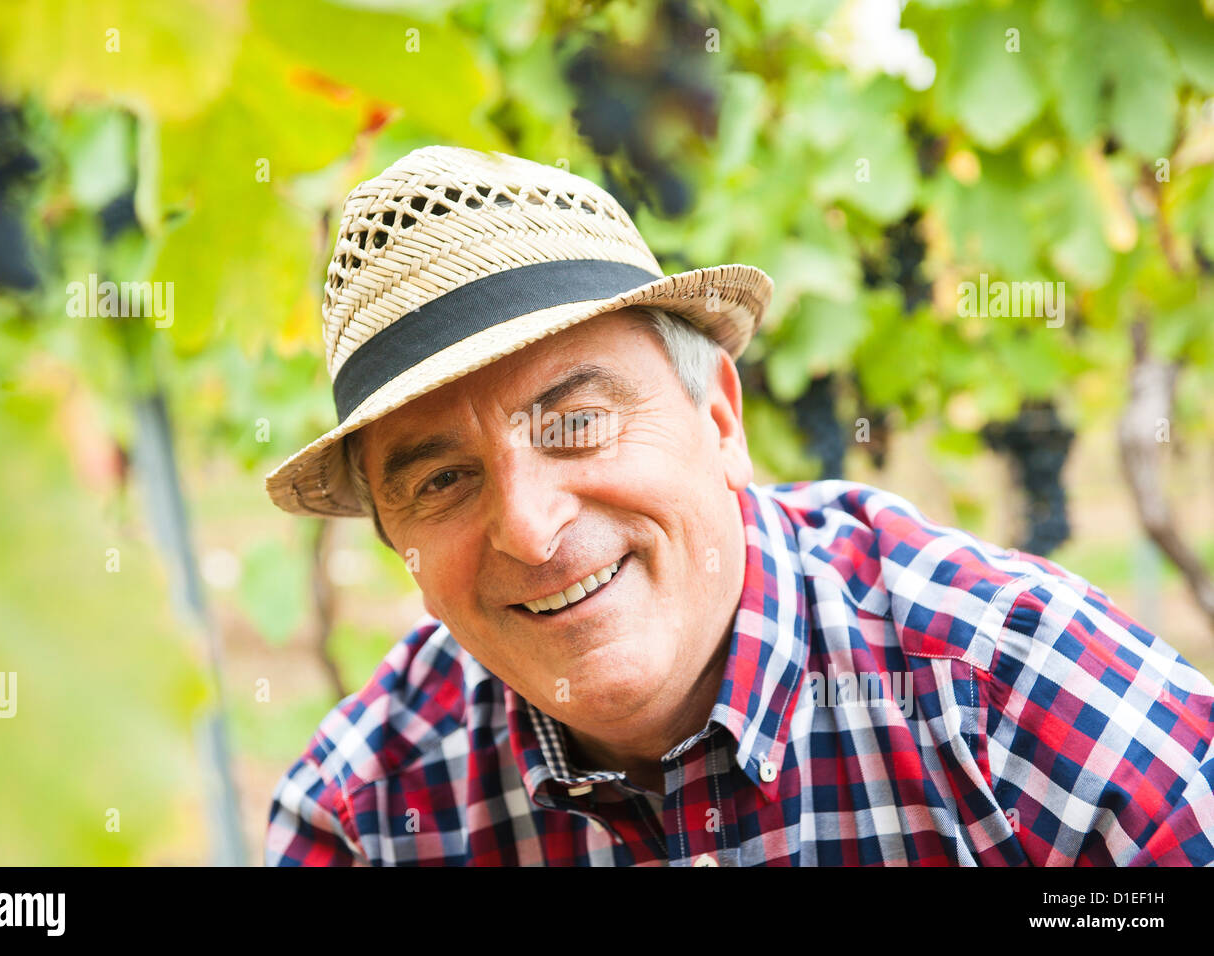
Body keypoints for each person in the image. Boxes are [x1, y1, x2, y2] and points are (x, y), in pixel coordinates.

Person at [262, 145, 1214, 866]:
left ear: (720, 417)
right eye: (441, 481)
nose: (530, 526)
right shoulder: (366, 816)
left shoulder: (1012, 693)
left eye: (579, 423)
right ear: (400, 547)